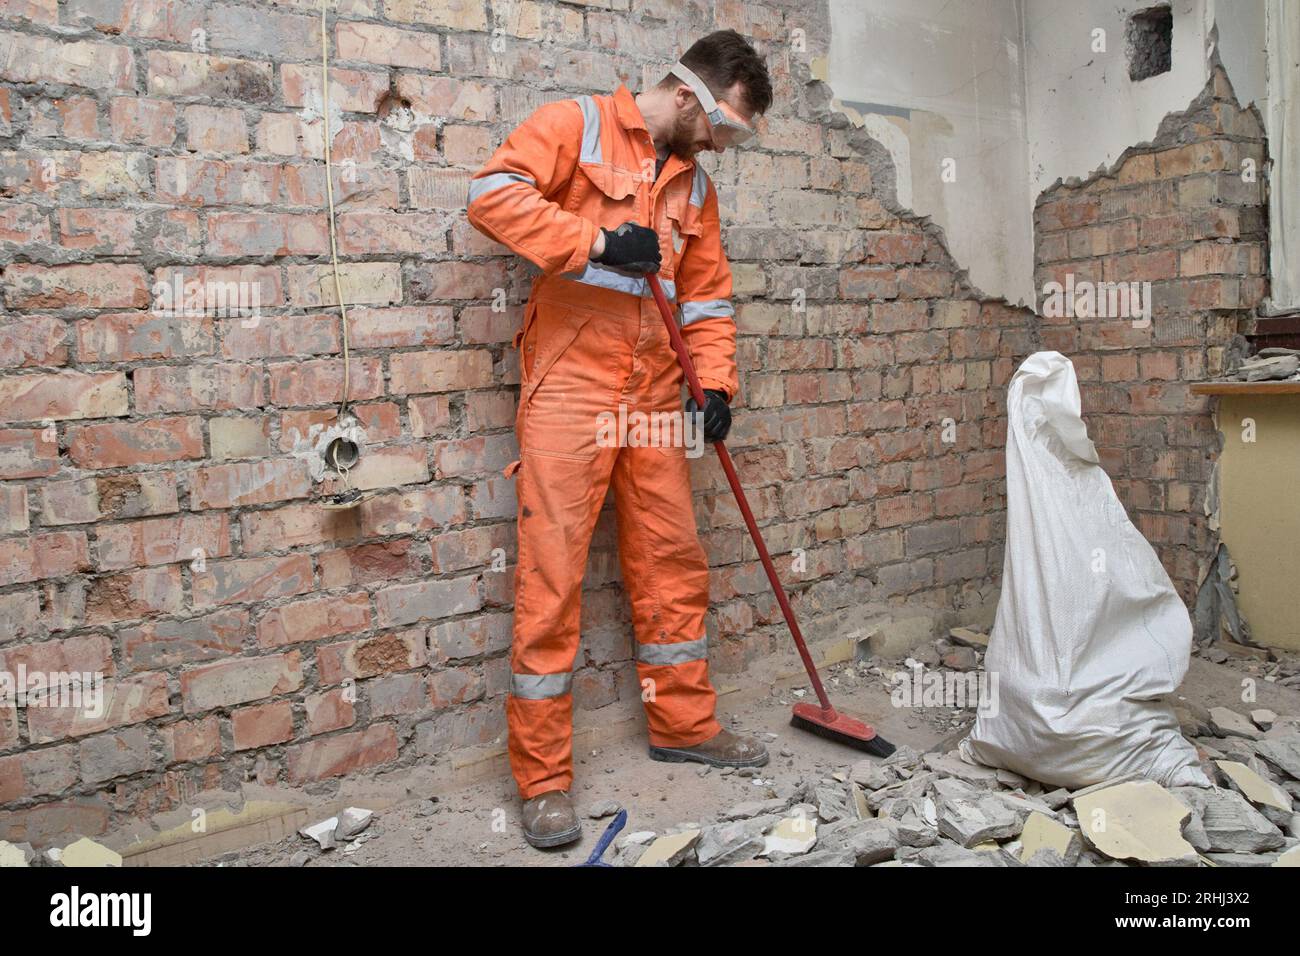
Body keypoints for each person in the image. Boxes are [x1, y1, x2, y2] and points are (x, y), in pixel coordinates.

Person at [466, 29, 774, 849]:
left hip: (653, 394)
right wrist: (597, 241)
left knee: (672, 560)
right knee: (553, 576)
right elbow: (491, 195)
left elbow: (706, 297)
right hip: (571, 383)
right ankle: (544, 783)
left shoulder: (695, 189)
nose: (722, 147)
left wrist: (714, 386)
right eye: (725, 128)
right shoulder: (576, 125)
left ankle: (685, 726)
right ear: (687, 98)